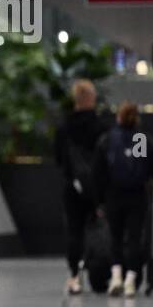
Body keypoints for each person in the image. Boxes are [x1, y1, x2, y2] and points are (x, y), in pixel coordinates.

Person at [93, 101, 153, 297]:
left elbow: (99, 172)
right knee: (134, 239)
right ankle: (130, 280)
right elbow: (146, 167)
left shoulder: (109, 138)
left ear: (118, 116)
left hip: (113, 195)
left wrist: (99, 199)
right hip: (136, 195)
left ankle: (116, 275)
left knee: (115, 238)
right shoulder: (140, 139)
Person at [53, 79, 107, 294]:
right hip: (97, 188)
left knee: (74, 231)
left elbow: (58, 158)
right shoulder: (101, 126)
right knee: (101, 229)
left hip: (72, 186)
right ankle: (103, 272)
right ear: (92, 99)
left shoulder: (64, 127)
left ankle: (75, 276)